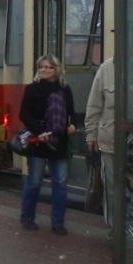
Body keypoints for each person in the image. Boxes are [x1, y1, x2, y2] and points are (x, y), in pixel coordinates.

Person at [19, 54, 77, 236]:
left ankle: (58, 223)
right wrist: (38, 132)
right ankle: (27, 218)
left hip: (59, 142)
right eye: (41, 67)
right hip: (38, 143)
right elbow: (24, 115)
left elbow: (72, 113)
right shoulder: (32, 89)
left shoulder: (65, 89)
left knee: (60, 183)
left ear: (56, 70)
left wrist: (73, 125)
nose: (44, 70)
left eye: (48, 67)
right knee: (34, 181)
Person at [85, 57, 115, 231]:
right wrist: (91, 134)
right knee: (111, 189)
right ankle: (115, 229)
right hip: (110, 142)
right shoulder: (106, 69)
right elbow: (94, 106)